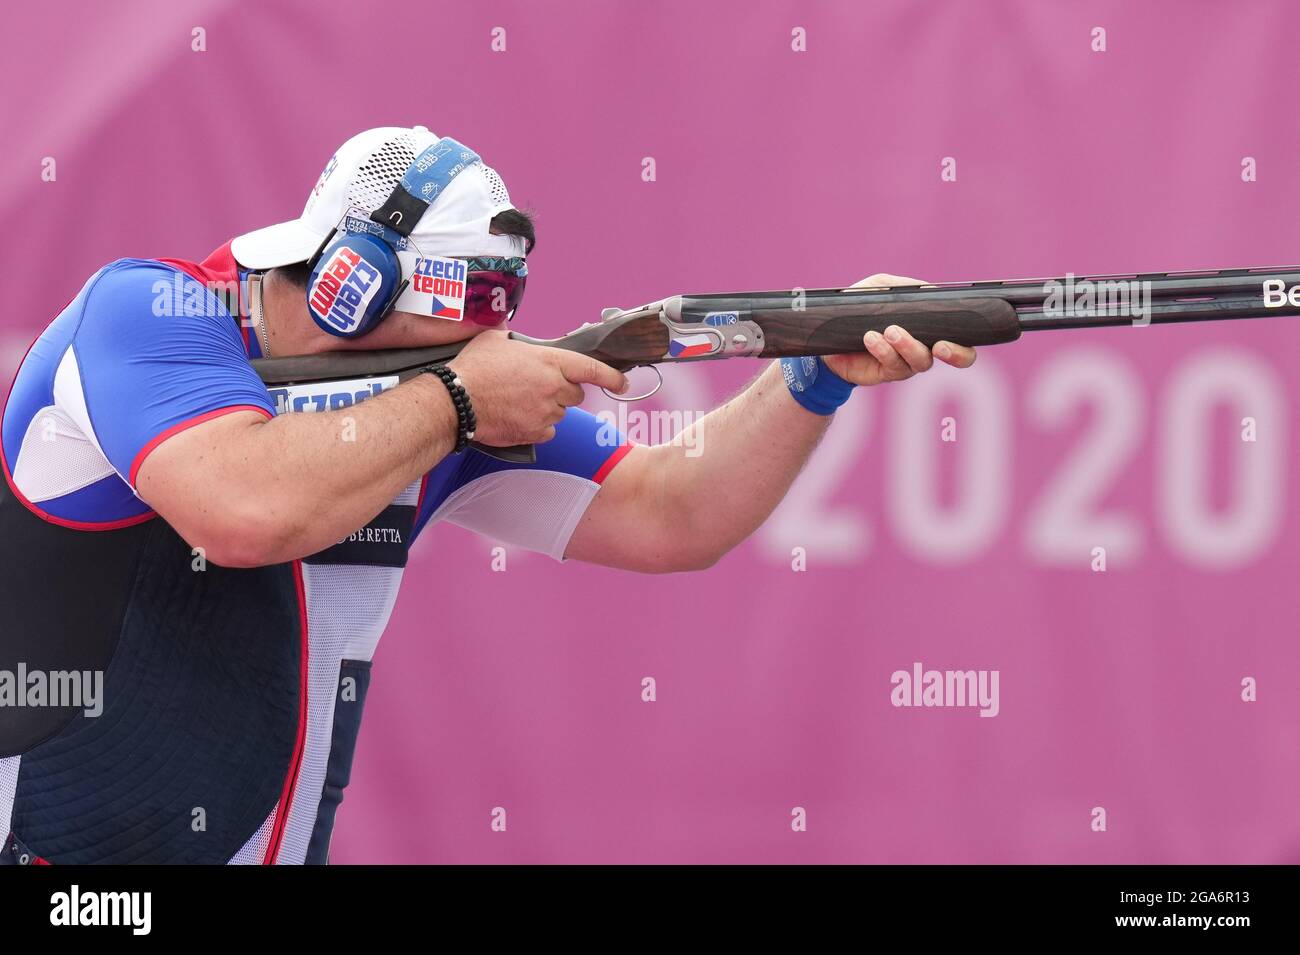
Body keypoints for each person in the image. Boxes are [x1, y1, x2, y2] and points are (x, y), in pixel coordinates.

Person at [0, 126, 976, 864]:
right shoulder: (143, 314)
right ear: (350, 282)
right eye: (455, 317)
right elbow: (245, 511)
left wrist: (815, 376)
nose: (480, 348)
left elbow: (676, 511)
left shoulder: (429, 407)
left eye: (490, 323)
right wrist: (458, 398)